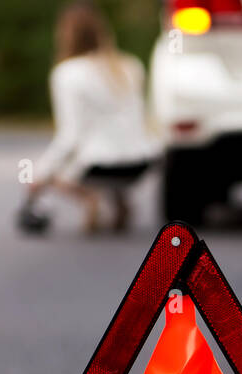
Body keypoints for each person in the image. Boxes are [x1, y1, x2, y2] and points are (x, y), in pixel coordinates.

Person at [21, 2, 158, 233]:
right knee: (111, 144)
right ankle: (120, 202)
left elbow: (70, 137)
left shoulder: (67, 73)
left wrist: (38, 177)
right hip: (141, 162)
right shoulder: (130, 65)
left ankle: (89, 198)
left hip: (97, 167)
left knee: (57, 164)